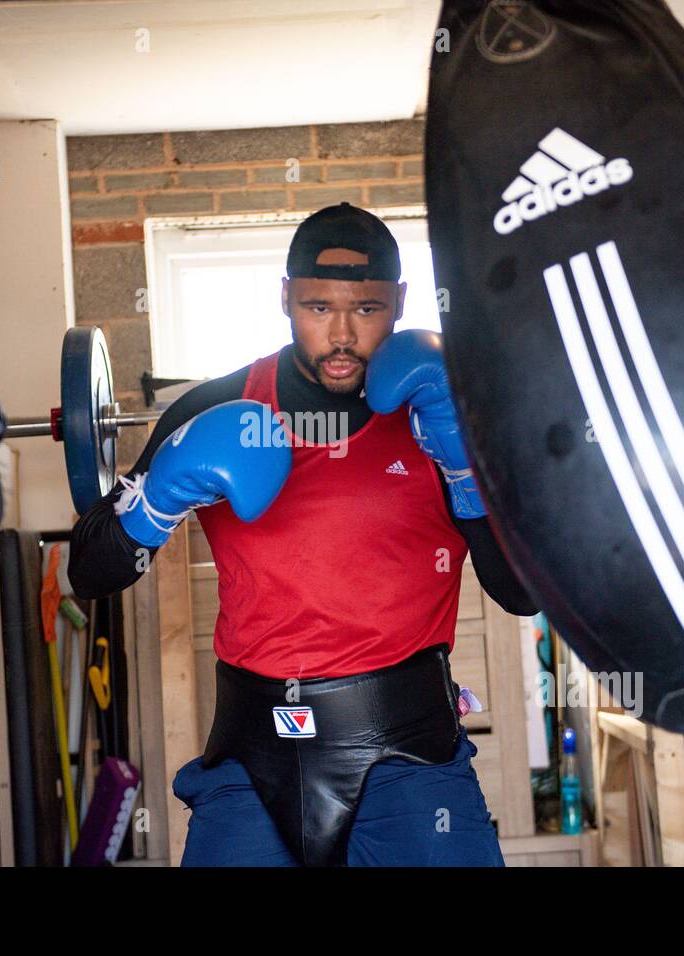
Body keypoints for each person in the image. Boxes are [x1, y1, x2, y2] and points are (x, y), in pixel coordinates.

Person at [68, 202, 536, 866]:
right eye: (319, 308)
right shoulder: (215, 407)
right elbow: (87, 573)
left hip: (411, 757)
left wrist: (465, 467)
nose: (342, 335)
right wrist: (161, 498)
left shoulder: (443, 412)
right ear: (285, 297)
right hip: (251, 760)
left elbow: (521, 595)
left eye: (367, 310)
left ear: (400, 303)